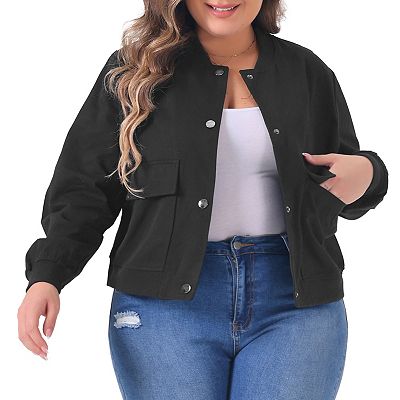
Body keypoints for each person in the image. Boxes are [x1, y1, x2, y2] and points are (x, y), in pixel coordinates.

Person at [18, 1, 389, 399]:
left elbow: (346, 179)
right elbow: (85, 187)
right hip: (162, 307)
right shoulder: (133, 71)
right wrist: (48, 275)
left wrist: (370, 173)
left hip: (296, 305)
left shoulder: (306, 71)